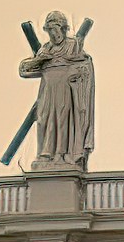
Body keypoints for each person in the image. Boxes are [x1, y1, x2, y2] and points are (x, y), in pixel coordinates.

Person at [17, 14, 97, 170]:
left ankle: (61, 154)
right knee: (44, 119)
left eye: (57, 30)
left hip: (64, 90)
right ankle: (45, 153)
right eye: (50, 31)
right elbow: (24, 70)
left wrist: (76, 75)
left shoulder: (72, 46)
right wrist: (39, 60)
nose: (54, 34)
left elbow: (84, 64)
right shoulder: (46, 49)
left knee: (62, 119)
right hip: (47, 91)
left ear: (64, 29)